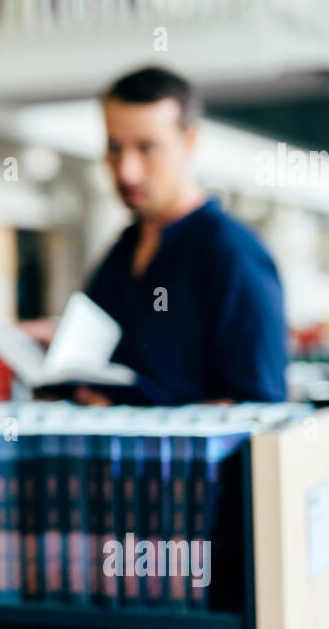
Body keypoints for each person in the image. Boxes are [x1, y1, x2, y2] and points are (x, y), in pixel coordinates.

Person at [80, 67, 287, 405]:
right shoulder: (123, 249)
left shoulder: (233, 253)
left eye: (147, 148)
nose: (127, 171)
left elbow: (258, 408)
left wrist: (134, 415)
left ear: (189, 142)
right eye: (115, 148)